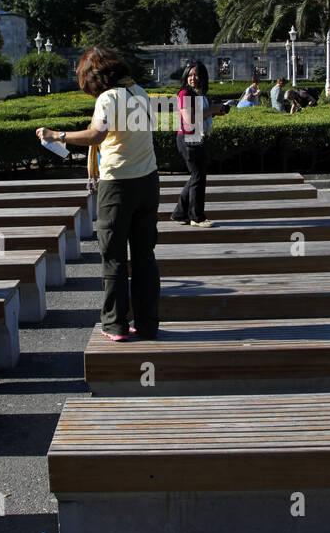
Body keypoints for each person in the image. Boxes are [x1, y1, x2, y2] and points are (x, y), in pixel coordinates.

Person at [36, 47, 159, 342]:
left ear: (96, 77)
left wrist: (58, 135)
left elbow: (97, 135)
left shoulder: (108, 98)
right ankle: (147, 323)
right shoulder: (140, 92)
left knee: (114, 256)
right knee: (144, 256)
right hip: (148, 181)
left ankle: (115, 324)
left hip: (117, 185)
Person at [170, 61, 229, 227]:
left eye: (196, 75)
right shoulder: (184, 94)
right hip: (188, 139)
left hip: (195, 137)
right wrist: (212, 109)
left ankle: (180, 213)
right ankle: (197, 217)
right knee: (198, 176)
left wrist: (216, 110)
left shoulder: (196, 94)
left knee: (197, 176)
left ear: (203, 76)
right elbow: (189, 120)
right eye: (189, 75)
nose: (192, 78)